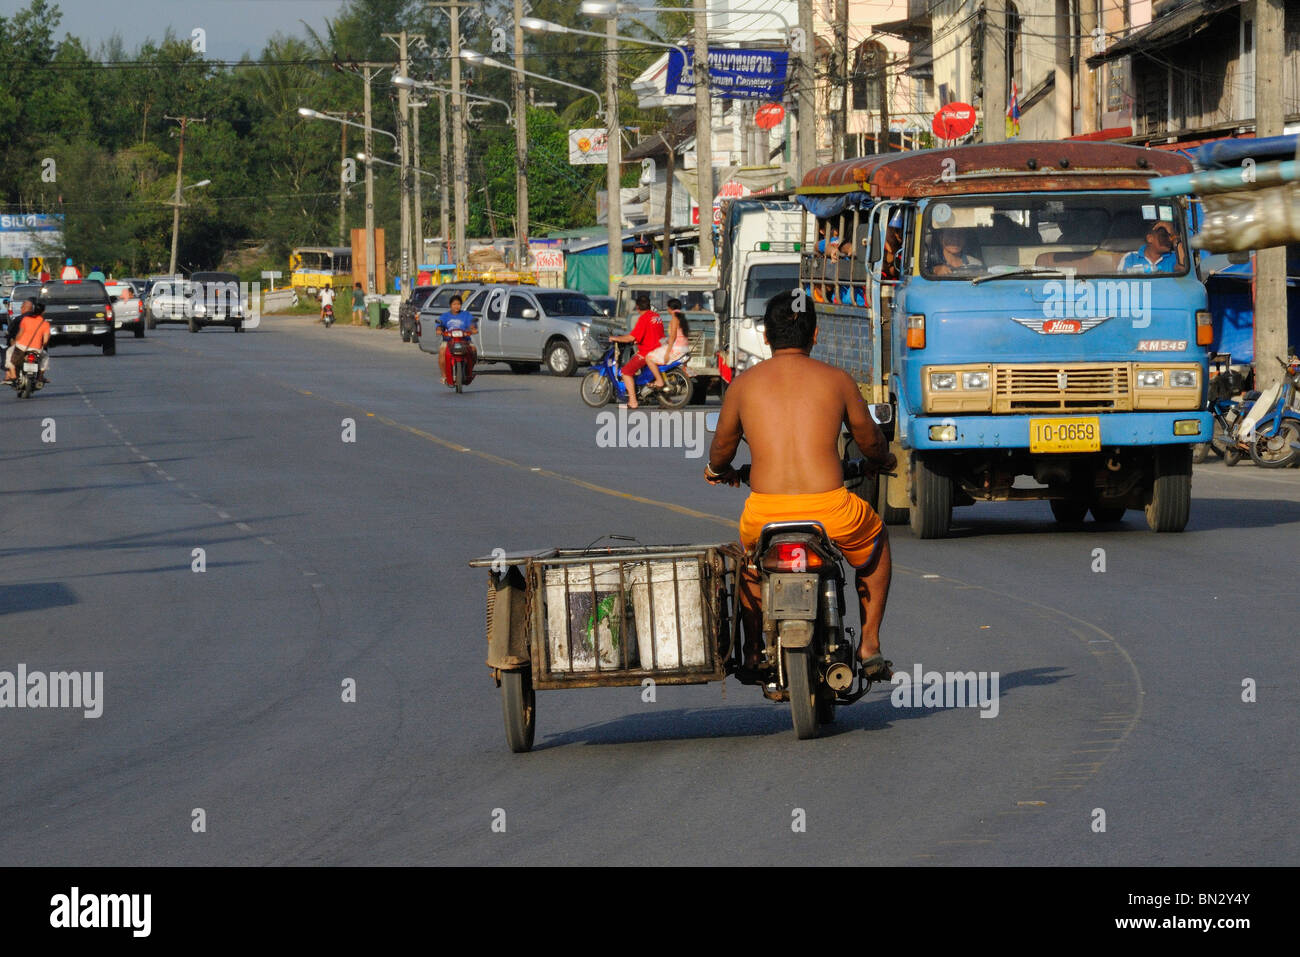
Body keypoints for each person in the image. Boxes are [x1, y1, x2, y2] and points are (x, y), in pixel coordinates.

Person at [705, 292, 896, 681]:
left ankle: (755, 648)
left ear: (765, 335)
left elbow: (722, 447)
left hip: (765, 513)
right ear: (815, 334)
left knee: (751, 569)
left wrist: (717, 469)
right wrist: (883, 461)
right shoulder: (837, 380)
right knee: (876, 545)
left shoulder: (742, 386)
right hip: (832, 512)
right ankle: (870, 643)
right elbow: (869, 440)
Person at [609, 294, 665, 409]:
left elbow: (631, 338)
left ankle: (633, 401)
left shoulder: (643, 318)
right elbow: (652, 333)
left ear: (638, 308)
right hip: (660, 348)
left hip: (648, 351)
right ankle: (663, 399)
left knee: (626, 371)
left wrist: (616, 338)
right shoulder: (656, 316)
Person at [644, 297, 692, 385]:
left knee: (648, 358)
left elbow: (673, 337)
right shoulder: (683, 318)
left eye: (667, 307)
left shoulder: (674, 319)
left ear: (670, 308)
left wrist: (667, 353)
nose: (667, 309)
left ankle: (659, 381)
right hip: (684, 348)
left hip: (677, 349)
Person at [4, 300, 51, 384]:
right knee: (45, 357)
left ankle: (13, 374)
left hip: (21, 347)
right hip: (37, 349)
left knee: (9, 352)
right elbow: (46, 340)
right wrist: (42, 346)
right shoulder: (45, 324)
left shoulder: (25, 320)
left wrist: (15, 341)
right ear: (43, 312)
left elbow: (20, 334)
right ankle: (40, 377)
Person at [434, 295, 478, 385]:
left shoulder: (466, 315)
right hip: (449, 340)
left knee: (473, 350)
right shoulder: (445, 316)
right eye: (454, 304)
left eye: (458, 304)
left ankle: (469, 371)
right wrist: (439, 329)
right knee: (442, 352)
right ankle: (444, 376)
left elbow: (472, 323)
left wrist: (473, 328)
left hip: (464, 340)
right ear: (450, 305)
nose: (456, 306)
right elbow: (440, 324)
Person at [1120, 221, 1185, 273]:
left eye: (1171, 236)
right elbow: (1122, 282)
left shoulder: (1175, 257)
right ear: (1150, 238)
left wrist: (1175, 236)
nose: (1170, 239)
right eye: (1163, 236)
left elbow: (1183, 268)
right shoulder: (1131, 258)